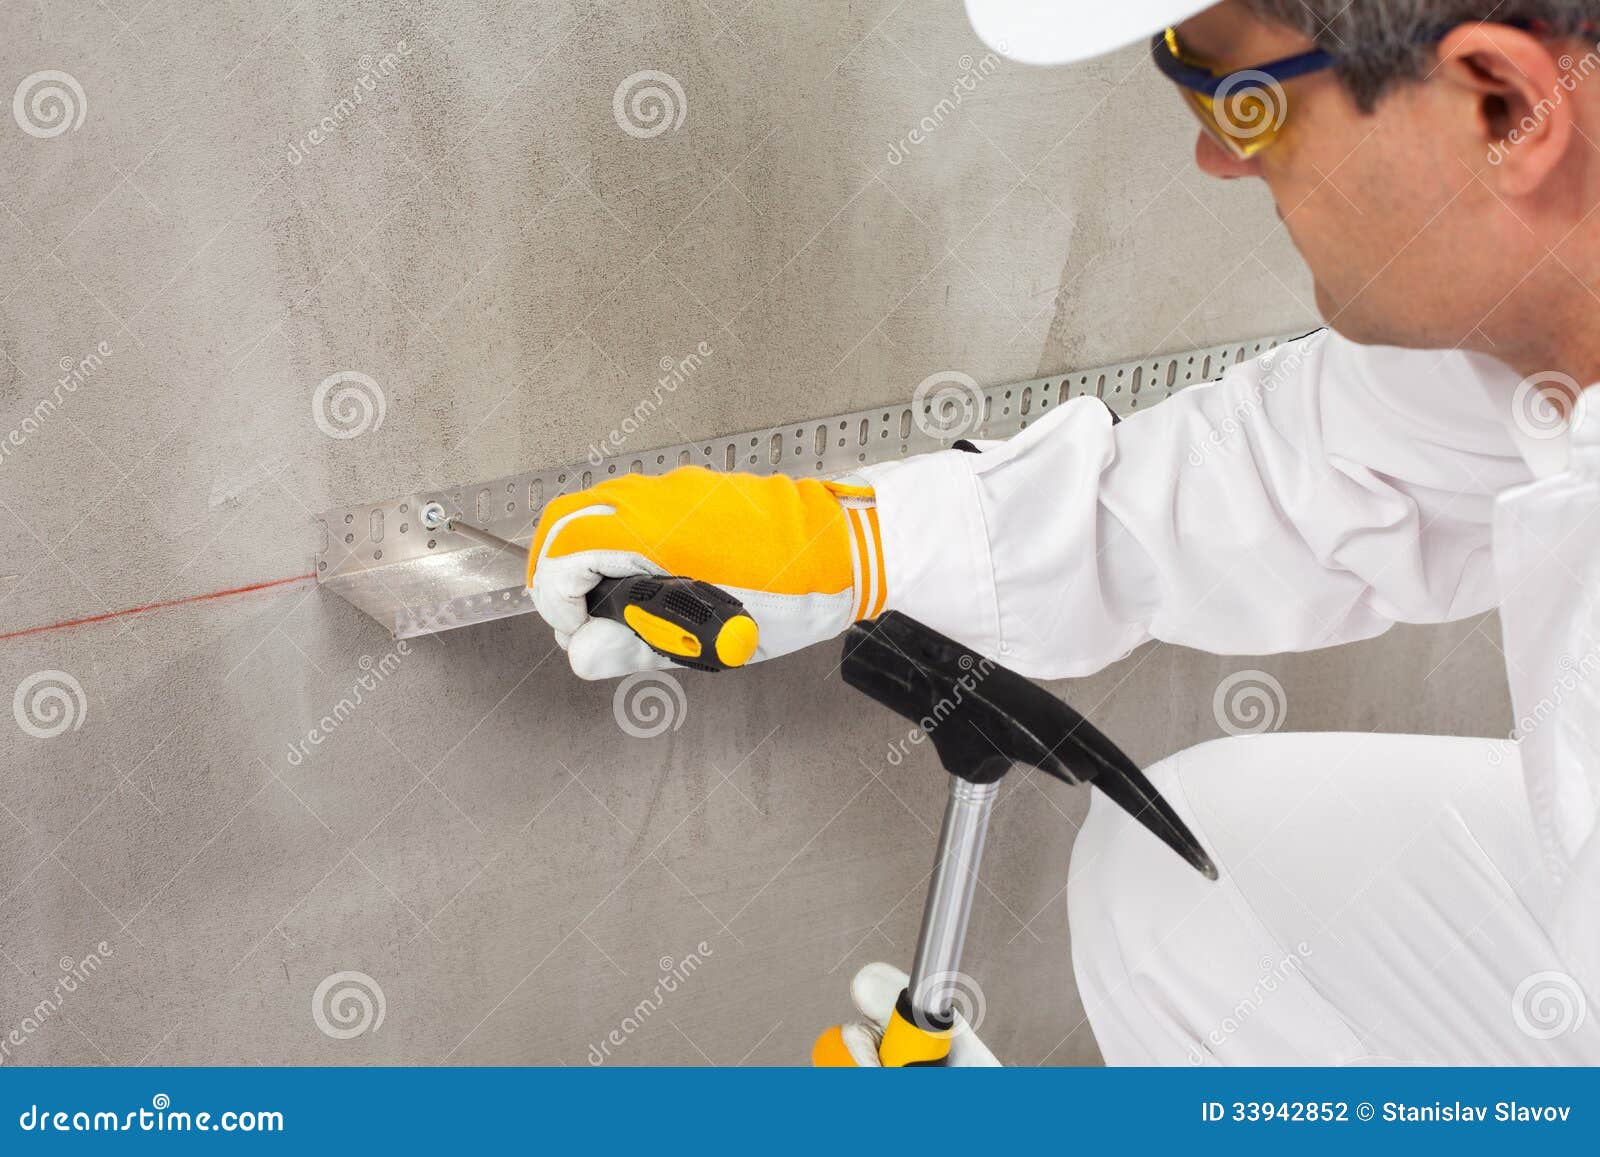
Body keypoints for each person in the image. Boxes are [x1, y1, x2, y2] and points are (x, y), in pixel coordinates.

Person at [527, 0, 1600, 1064]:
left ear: (1501, 102)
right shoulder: (1540, 318)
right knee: (1203, 874)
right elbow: (1298, 471)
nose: (1215, 157)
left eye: (1241, 101)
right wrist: (851, 545)